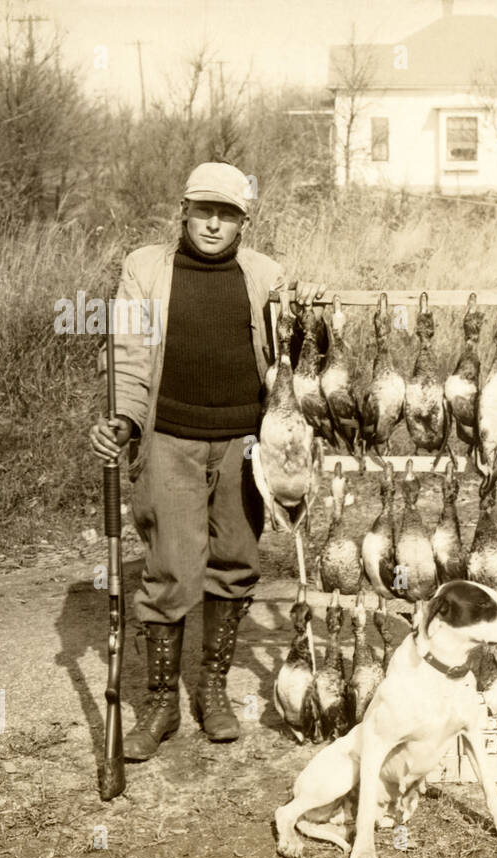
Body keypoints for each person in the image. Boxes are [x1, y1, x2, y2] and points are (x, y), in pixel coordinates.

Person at [88, 161, 324, 761]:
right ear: (184, 211)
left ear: (245, 220)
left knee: (237, 562)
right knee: (169, 567)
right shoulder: (144, 269)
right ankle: (161, 702)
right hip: (169, 437)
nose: (214, 224)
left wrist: (313, 322)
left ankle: (212, 691)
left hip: (246, 445)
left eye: (228, 214)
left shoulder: (267, 275)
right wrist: (123, 418)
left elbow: (289, 361)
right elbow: (130, 354)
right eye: (204, 211)